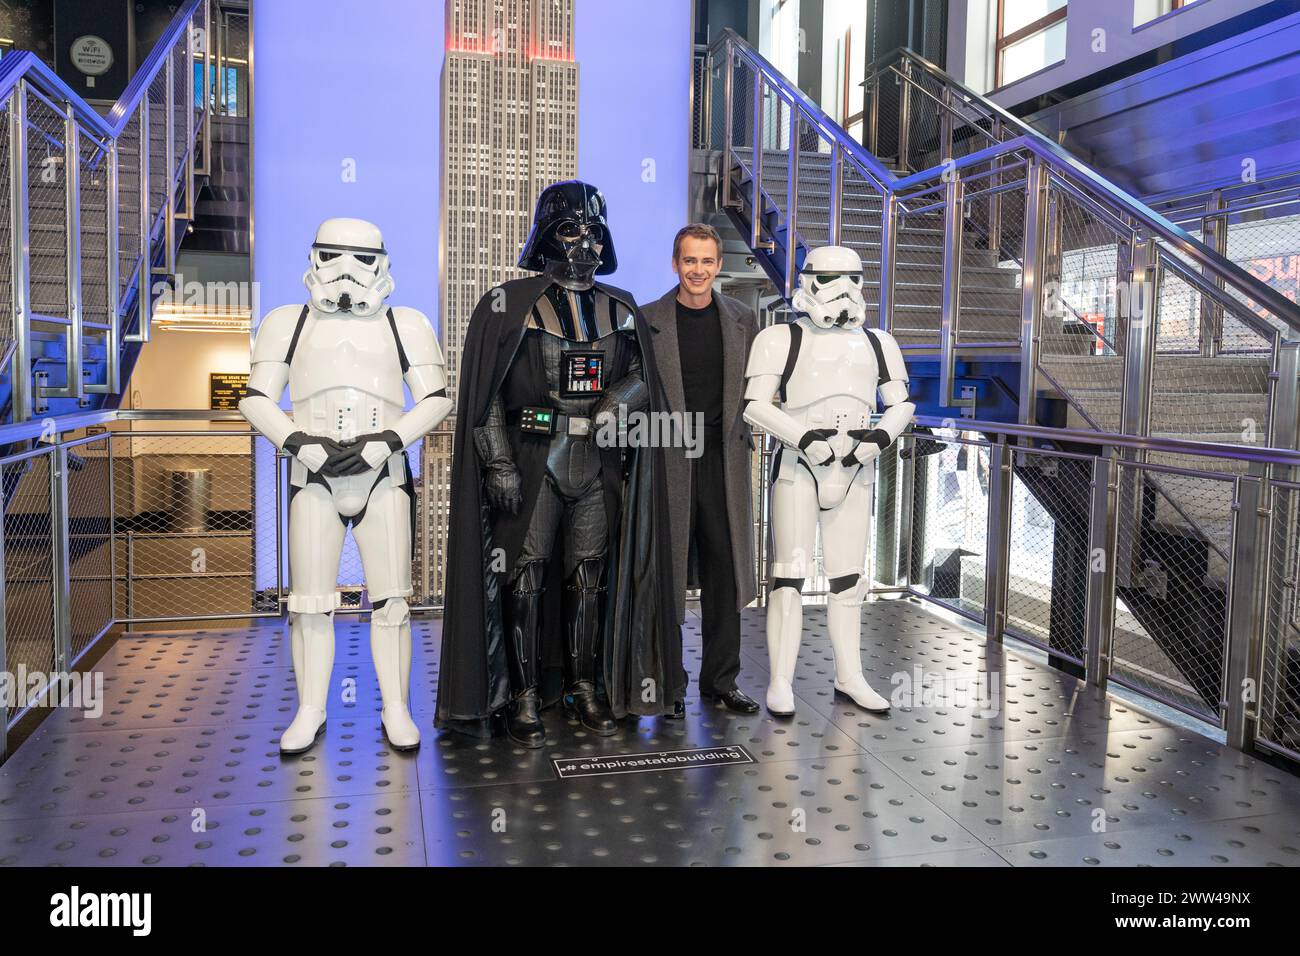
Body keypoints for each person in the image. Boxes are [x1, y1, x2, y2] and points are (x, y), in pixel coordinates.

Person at [435, 181, 682, 748]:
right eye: (572, 229)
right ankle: (521, 696)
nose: (585, 243)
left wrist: (618, 402)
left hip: (597, 462)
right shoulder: (510, 307)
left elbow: (647, 376)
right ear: (546, 235)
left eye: (594, 232)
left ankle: (584, 687)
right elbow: (486, 395)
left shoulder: (620, 309)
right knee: (523, 579)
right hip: (530, 458)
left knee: (588, 578)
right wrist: (497, 461)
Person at [239, 218, 452, 754]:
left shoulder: (406, 324)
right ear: (314, 257)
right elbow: (255, 397)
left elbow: (436, 397)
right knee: (309, 603)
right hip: (311, 475)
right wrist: (298, 442)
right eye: (333, 256)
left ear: (382, 262)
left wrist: (387, 442)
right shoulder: (287, 323)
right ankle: (310, 708)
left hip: (384, 474)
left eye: (361, 259)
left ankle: (396, 707)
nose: (347, 272)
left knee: (393, 603)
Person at [742, 245, 914, 716]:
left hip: (856, 467)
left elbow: (901, 403)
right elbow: (754, 404)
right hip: (798, 465)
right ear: (807, 281)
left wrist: (877, 439)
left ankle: (850, 675)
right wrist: (803, 437)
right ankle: (780, 680)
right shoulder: (779, 338)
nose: (843, 290)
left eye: (853, 279)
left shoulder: (880, 342)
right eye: (831, 278)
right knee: (788, 578)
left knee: (848, 579)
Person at [640, 223, 760, 715]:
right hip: (668, 457)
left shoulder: (742, 320)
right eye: (690, 261)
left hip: (724, 461)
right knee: (665, 576)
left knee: (725, 573)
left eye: (707, 261)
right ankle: (668, 685)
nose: (698, 270)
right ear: (675, 264)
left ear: (718, 265)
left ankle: (721, 682)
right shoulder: (647, 321)